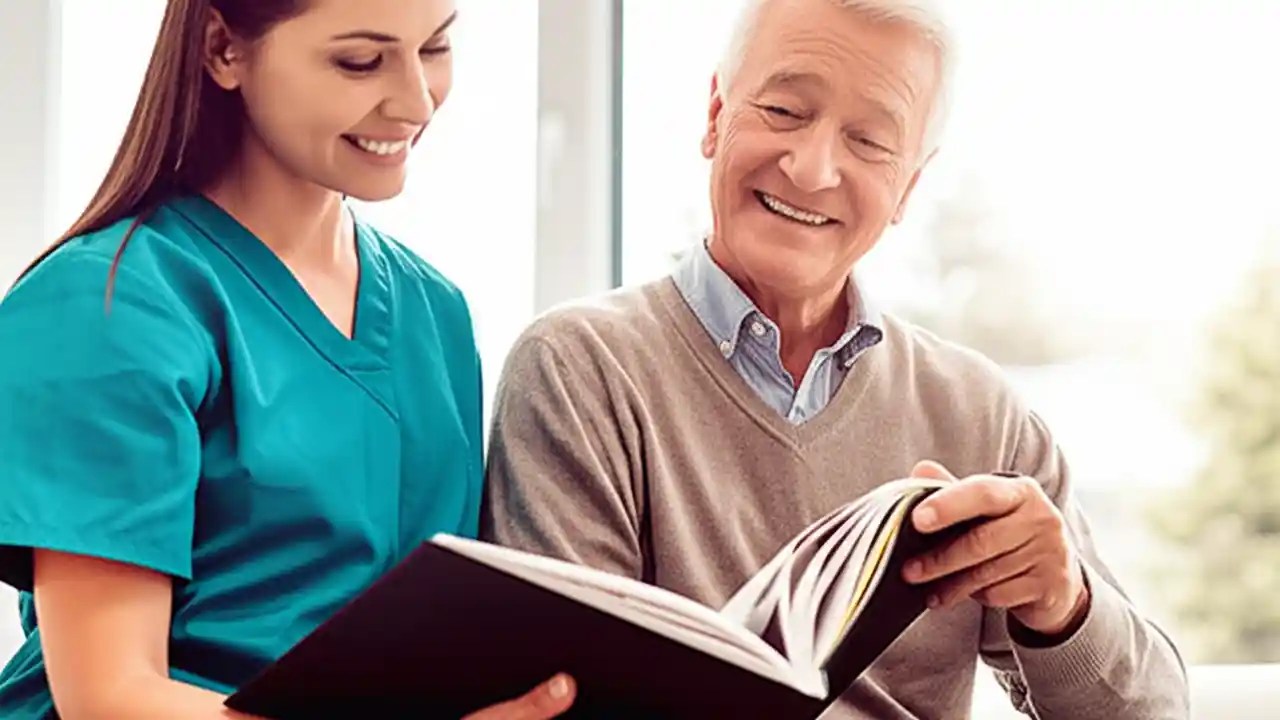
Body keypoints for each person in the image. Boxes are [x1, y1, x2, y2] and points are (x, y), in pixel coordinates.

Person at [481, 0, 1189, 718]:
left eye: (870, 141)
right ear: (716, 115)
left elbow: (1154, 710)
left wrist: (1063, 604)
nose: (813, 169)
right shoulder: (579, 371)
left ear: (907, 186)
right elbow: (565, 700)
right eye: (784, 111)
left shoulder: (980, 413)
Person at [0, 1, 576, 718]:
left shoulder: (436, 312)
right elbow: (109, 697)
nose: (416, 101)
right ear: (223, 50)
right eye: (360, 61)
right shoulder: (107, 304)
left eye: (434, 48)